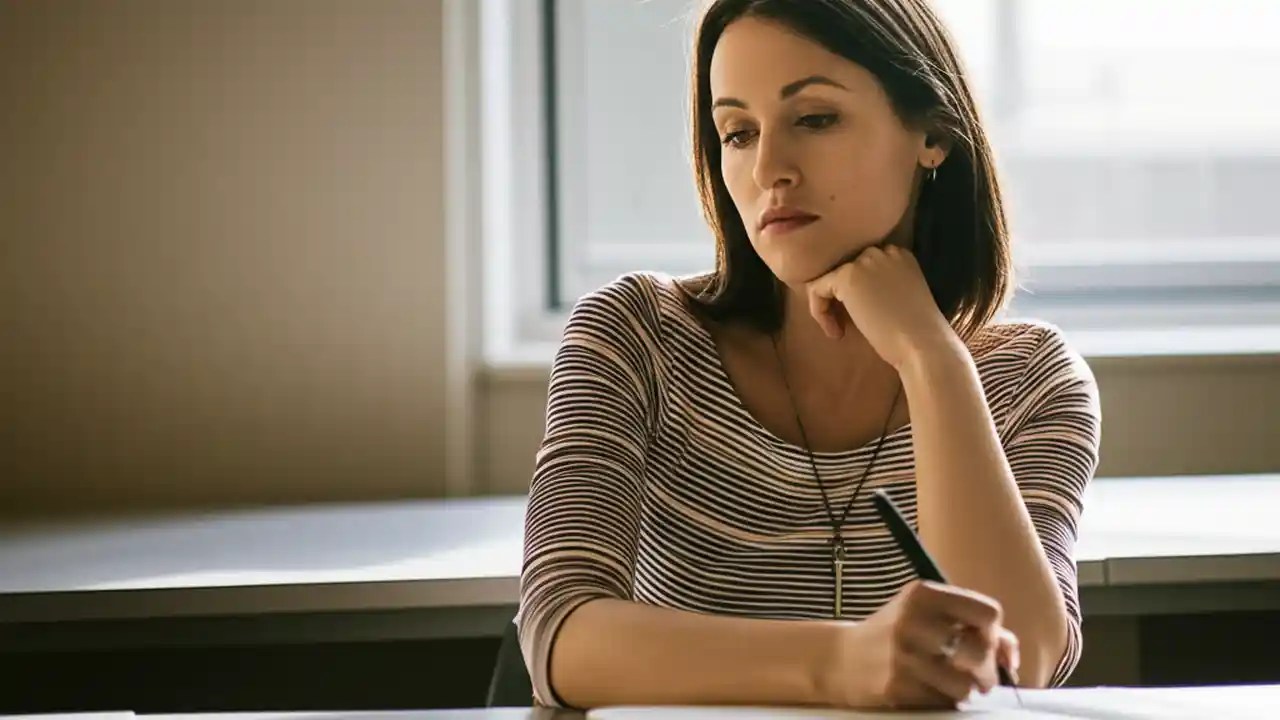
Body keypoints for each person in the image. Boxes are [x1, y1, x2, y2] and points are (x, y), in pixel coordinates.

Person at [516, 0, 1102, 711]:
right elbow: (559, 638)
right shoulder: (637, 335)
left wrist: (932, 361)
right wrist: (842, 661)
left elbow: (1022, 663)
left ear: (934, 135)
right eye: (737, 132)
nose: (768, 169)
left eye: (815, 119)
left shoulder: (1031, 378)